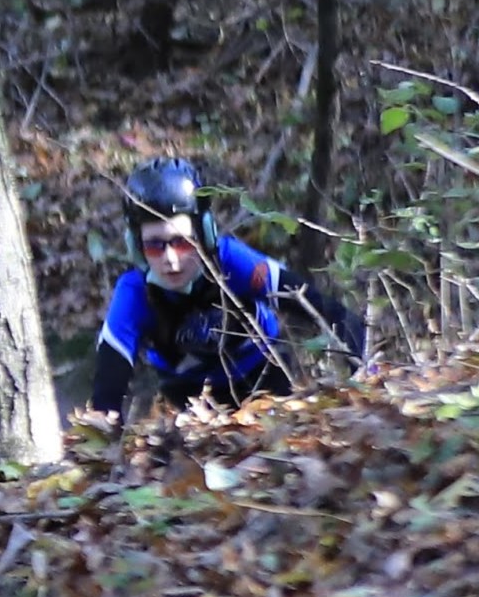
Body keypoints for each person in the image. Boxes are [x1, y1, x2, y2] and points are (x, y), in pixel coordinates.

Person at [88, 158, 362, 422]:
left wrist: (365, 379)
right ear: (136, 247)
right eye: (154, 245)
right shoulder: (133, 293)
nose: (170, 259)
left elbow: (328, 311)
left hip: (265, 371)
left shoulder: (234, 261)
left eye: (182, 242)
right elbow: (106, 396)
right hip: (190, 394)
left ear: (205, 233)